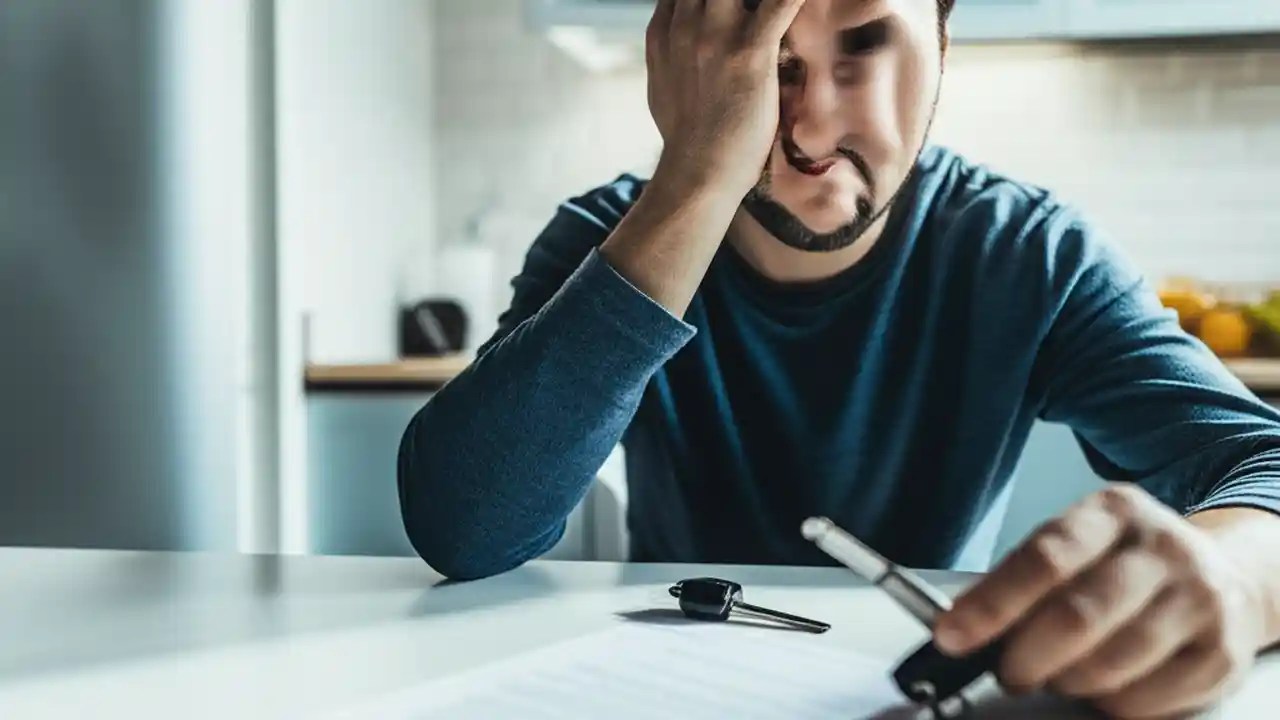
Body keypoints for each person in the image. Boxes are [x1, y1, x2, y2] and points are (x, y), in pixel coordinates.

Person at [398, 0, 1280, 715]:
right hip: (672, 686)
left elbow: (1263, 463)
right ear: (690, 68)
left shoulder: (1025, 254)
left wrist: (1233, 581)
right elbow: (464, 530)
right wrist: (695, 177)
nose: (811, 131)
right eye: (768, 65)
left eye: (863, 53)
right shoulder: (609, 243)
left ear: (941, 45)